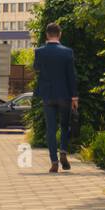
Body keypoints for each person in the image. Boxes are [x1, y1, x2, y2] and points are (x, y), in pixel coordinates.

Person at [33, 22, 78, 173]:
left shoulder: (39, 51)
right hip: (64, 94)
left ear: (47, 34)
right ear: (60, 34)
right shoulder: (67, 52)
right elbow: (71, 75)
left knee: (50, 129)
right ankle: (63, 151)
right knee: (64, 126)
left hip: (47, 94)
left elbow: (36, 68)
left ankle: (53, 161)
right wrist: (74, 97)